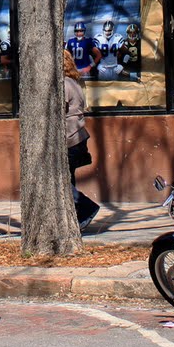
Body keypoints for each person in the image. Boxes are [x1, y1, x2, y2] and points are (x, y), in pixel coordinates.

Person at [63, 49, 101, 230]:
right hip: (78, 136)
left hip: (69, 138)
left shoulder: (63, 84)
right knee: (68, 177)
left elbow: (59, 110)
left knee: (60, 180)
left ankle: (87, 208)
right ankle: (75, 216)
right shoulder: (75, 83)